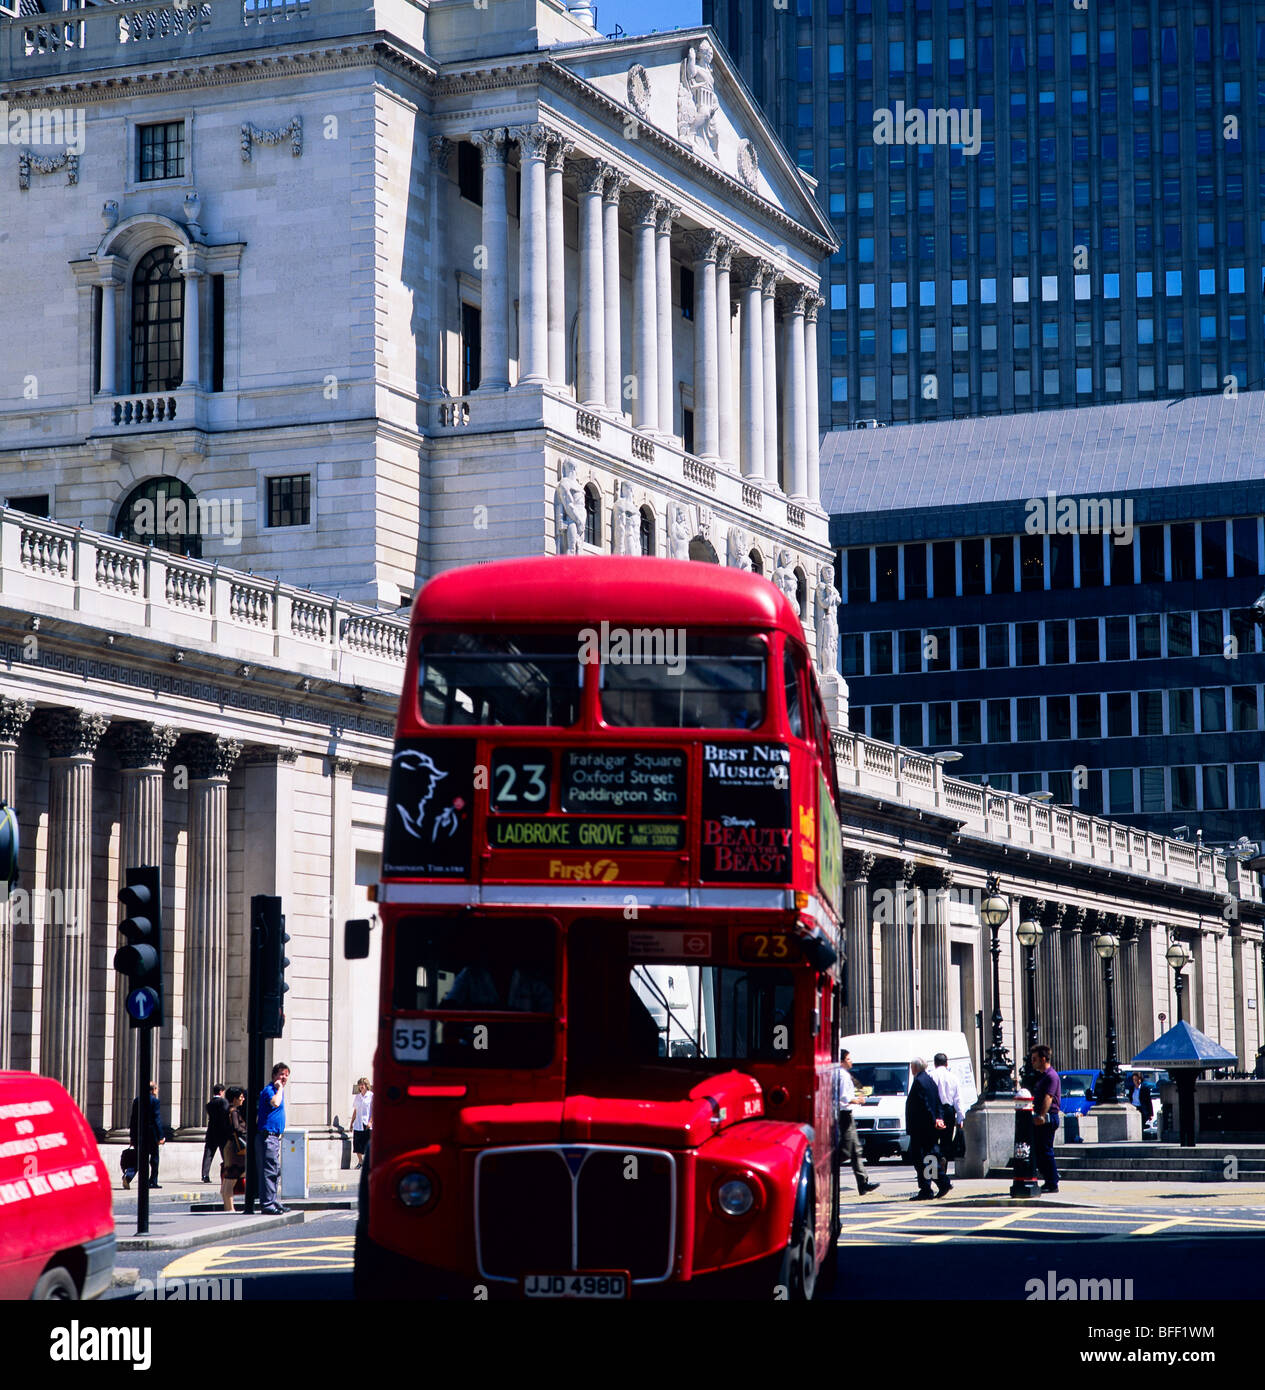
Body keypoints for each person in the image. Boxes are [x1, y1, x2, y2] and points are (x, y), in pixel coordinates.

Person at [837, 1050, 880, 1196]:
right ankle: (824, 1170)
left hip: (846, 1114)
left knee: (856, 1150)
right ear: (842, 1061)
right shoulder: (842, 1075)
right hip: (843, 1115)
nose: (851, 1061)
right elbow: (843, 1098)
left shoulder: (841, 1074)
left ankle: (863, 1183)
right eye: (848, 1059)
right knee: (846, 1151)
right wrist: (858, 1100)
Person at [905, 1058, 945, 1200]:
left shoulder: (919, 1082)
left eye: (911, 1066)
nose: (911, 1069)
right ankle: (937, 1185)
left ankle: (932, 1187)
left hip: (921, 1128)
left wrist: (934, 1120)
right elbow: (939, 1102)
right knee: (928, 1158)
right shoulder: (929, 1080)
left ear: (916, 1067)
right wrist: (939, 1118)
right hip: (928, 1127)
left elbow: (926, 1105)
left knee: (920, 1159)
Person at [929, 1052, 966, 1198]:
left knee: (931, 1144)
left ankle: (935, 1174)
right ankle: (943, 1168)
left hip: (935, 1113)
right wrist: (960, 1118)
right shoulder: (953, 1078)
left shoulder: (931, 1076)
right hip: (949, 1111)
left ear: (934, 1063)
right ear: (946, 1063)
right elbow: (958, 1099)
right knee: (946, 1144)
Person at [255, 1061, 290, 1214]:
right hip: (268, 1136)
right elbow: (275, 1103)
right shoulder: (270, 1090)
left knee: (274, 1170)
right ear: (274, 1075)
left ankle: (273, 1201)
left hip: (274, 1137)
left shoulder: (276, 1090)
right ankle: (268, 1204)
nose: (284, 1078)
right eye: (282, 1074)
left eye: (287, 1075)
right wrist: (280, 1088)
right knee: (270, 1170)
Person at [1030, 1045, 1061, 1193]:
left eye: (1034, 1059)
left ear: (1043, 1059)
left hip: (1048, 1117)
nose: (1032, 1062)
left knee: (1045, 1149)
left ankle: (1052, 1182)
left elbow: (1048, 1097)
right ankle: (1050, 1177)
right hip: (1043, 1117)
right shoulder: (1043, 1076)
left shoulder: (1051, 1076)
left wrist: (1041, 1116)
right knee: (1040, 1150)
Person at [128, 1081, 165, 1189]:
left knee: (140, 1157)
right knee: (154, 1159)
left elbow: (133, 1119)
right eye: (156, 1088)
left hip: (139, 1134)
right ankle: (152, 1181)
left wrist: (132, 1136)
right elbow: (156, 1119)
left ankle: (129, 1176)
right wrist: (161, 1136)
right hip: (151, 1134)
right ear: (153, 1090)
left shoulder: (137, 1100)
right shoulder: (155, 1101)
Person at [219, 1086, 247, 1213]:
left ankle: (227, 1206)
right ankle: (230, 1208)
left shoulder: (226, 1110)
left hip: (229, 1146)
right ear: (235, 1098)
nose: (243, 1099)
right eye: (241, 1097)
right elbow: (236, 1128)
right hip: (236, 1148)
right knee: (232, 1177)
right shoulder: (234, 1111)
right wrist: (247, 1131)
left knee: (229, 1177)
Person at [202, 1083, 229, 1184]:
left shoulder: (209, 1104)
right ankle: (227, 1173)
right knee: (225, 1155)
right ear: (221, 1091)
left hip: (211, 1131)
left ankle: (205, 1174)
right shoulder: (223, 1102)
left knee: (208, 1154)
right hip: (222, 1132)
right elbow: (225, 1115)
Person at [351, 1077, 373, 1168]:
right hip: (358, 1123)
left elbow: (374, 1110)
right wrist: (351, 1123)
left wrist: (370, 1122)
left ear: (366, 1085)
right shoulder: (357, 1097)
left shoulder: (371, 1096)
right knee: (357, 1144)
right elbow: (355, 1110)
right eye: (360, 1085)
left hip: (367, 1123)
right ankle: (360, 1162)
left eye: (362, 1084)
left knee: (368, 1144)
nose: (361, 1086)